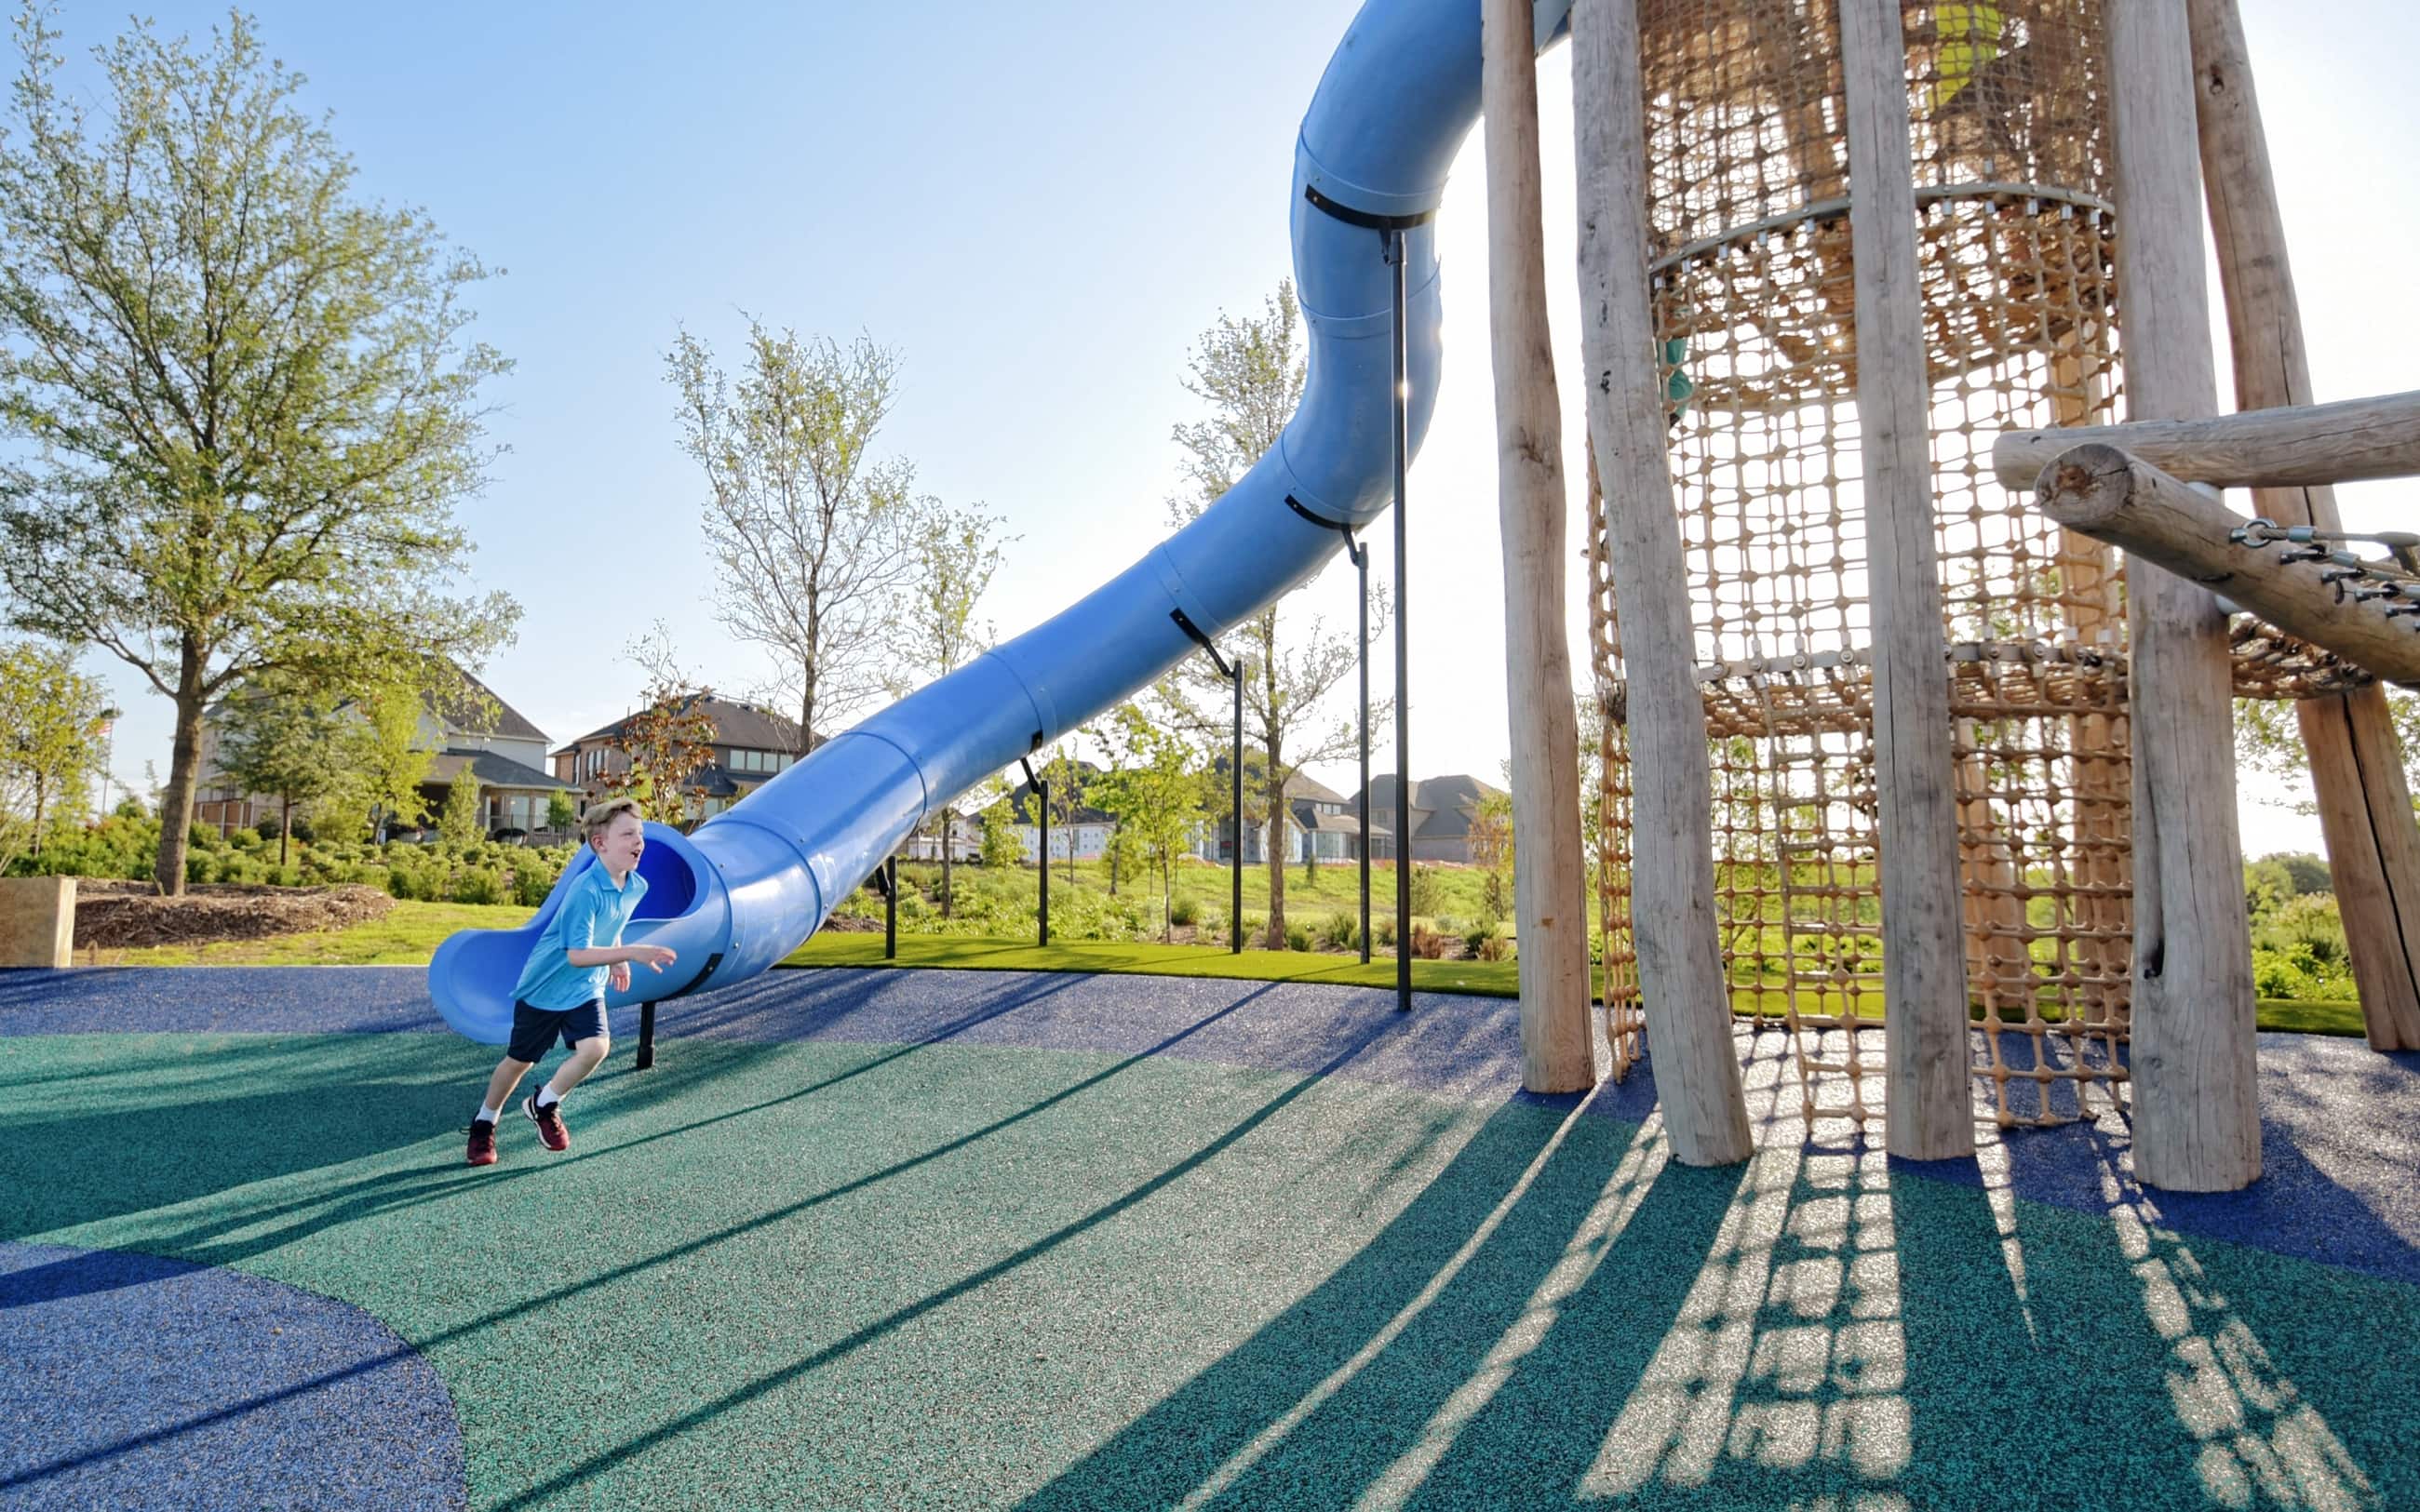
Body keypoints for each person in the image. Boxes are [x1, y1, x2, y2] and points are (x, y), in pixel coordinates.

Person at [464, 796, 676, 1166]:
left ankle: (544, 1104)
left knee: (595, 1048)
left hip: (585, 987)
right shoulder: (585, 889)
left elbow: (612, 926)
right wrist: (631, 954)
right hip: (546, 987)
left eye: (640, 834)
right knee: (519, 1062)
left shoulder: (635, 886)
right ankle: (485, 1122)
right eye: (628, 834)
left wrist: (618, 957)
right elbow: (576, 955)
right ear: (600, 843)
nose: (639, 841)